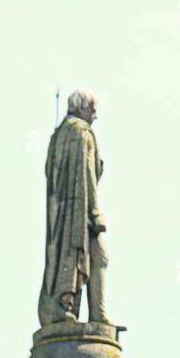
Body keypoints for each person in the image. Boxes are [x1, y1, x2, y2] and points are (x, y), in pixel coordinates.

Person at [39, 89, 110, 325]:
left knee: (69, 258)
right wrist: (95, 213)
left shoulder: (57, 136)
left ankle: (76, 308)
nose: (95, 116)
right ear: (81, 107)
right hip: (79, 216)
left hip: (60, 217)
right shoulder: (82, 133)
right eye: (92, 109)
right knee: (97, 255)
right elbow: (87, 175)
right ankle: (94, 314)